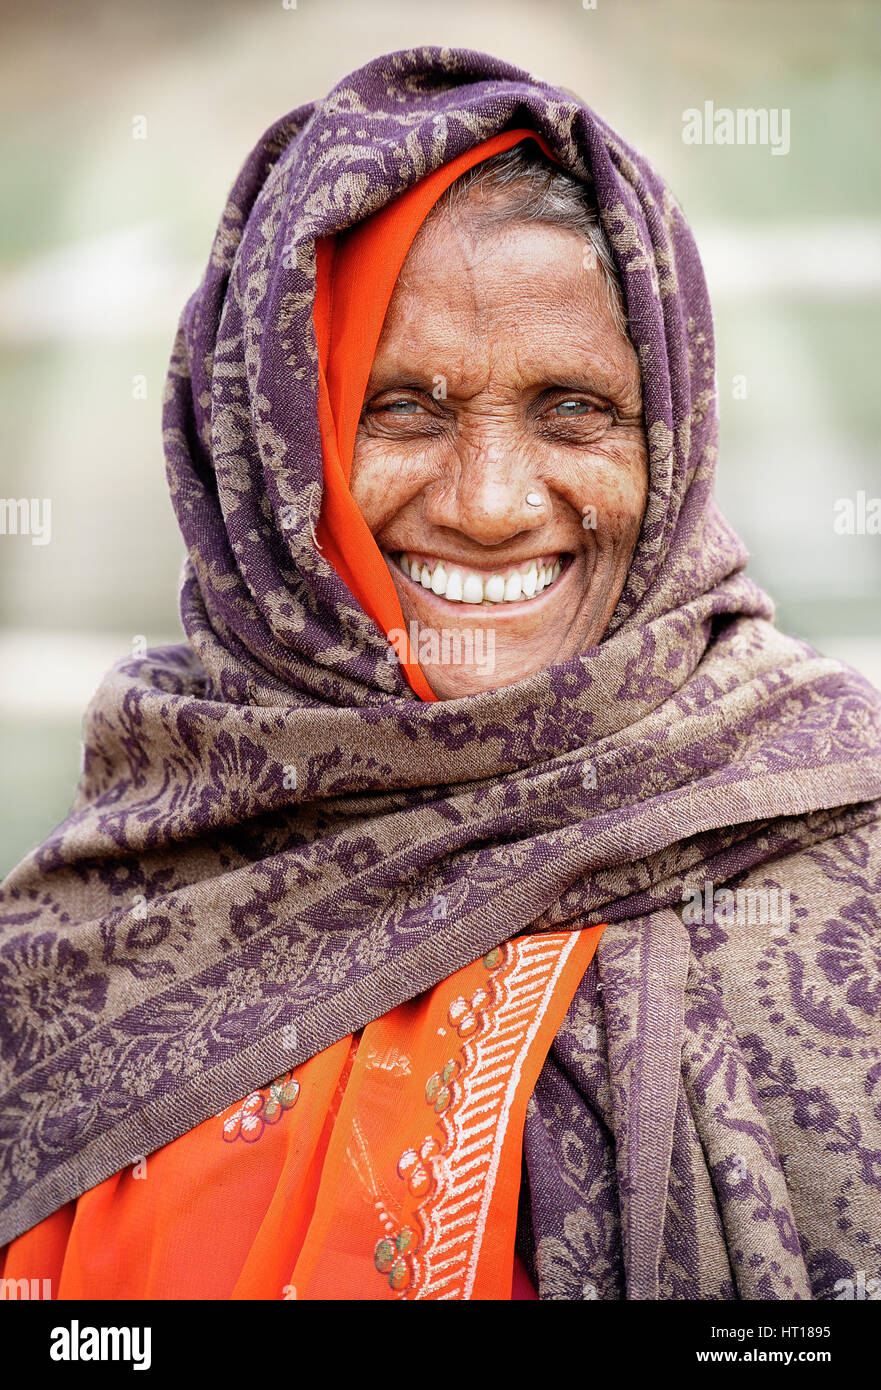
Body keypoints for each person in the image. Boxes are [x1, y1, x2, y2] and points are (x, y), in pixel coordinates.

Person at [1, 45, 880, 1301]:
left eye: (573, 408)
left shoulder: (835, 834)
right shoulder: (111, 904)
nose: (488, 503)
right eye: (401, 408)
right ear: (267, 460)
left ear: (672, 433)